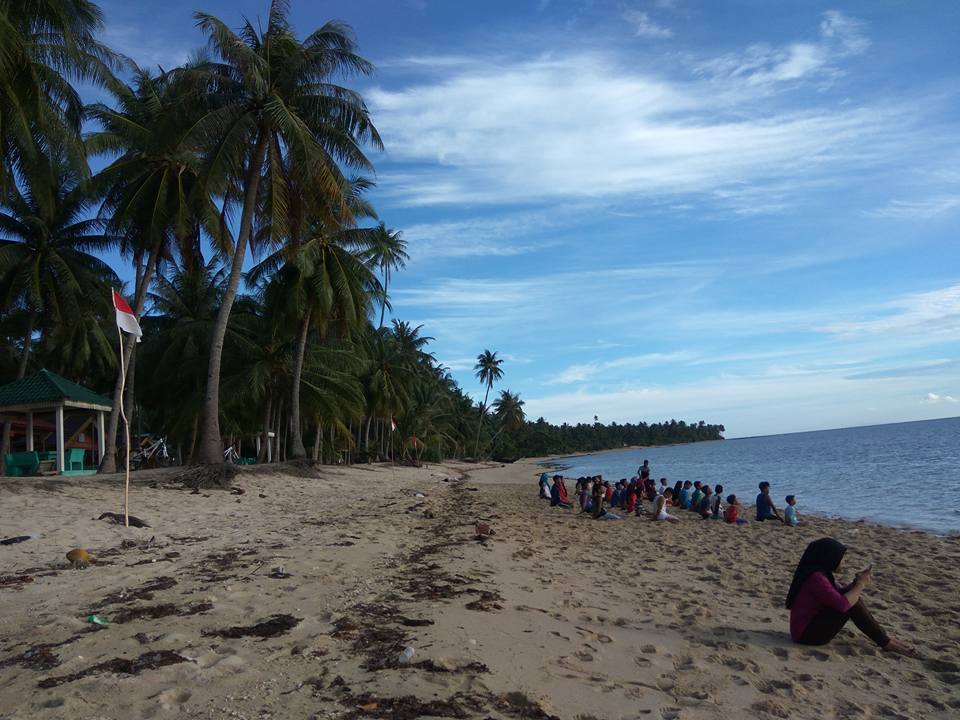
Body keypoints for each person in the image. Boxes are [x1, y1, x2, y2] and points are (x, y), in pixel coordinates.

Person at [786, 538, 915, 655]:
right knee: (853, 604)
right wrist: (860, 585)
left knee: (853, 600)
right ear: (829, 558)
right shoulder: (816, 578)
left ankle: (885, 640)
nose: (843, 561)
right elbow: (842, 605)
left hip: (805, 629)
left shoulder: (820, 573)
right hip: (806, 635)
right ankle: (886, 642)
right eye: (841, 558)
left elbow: (839, 594)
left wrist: (855, 583)